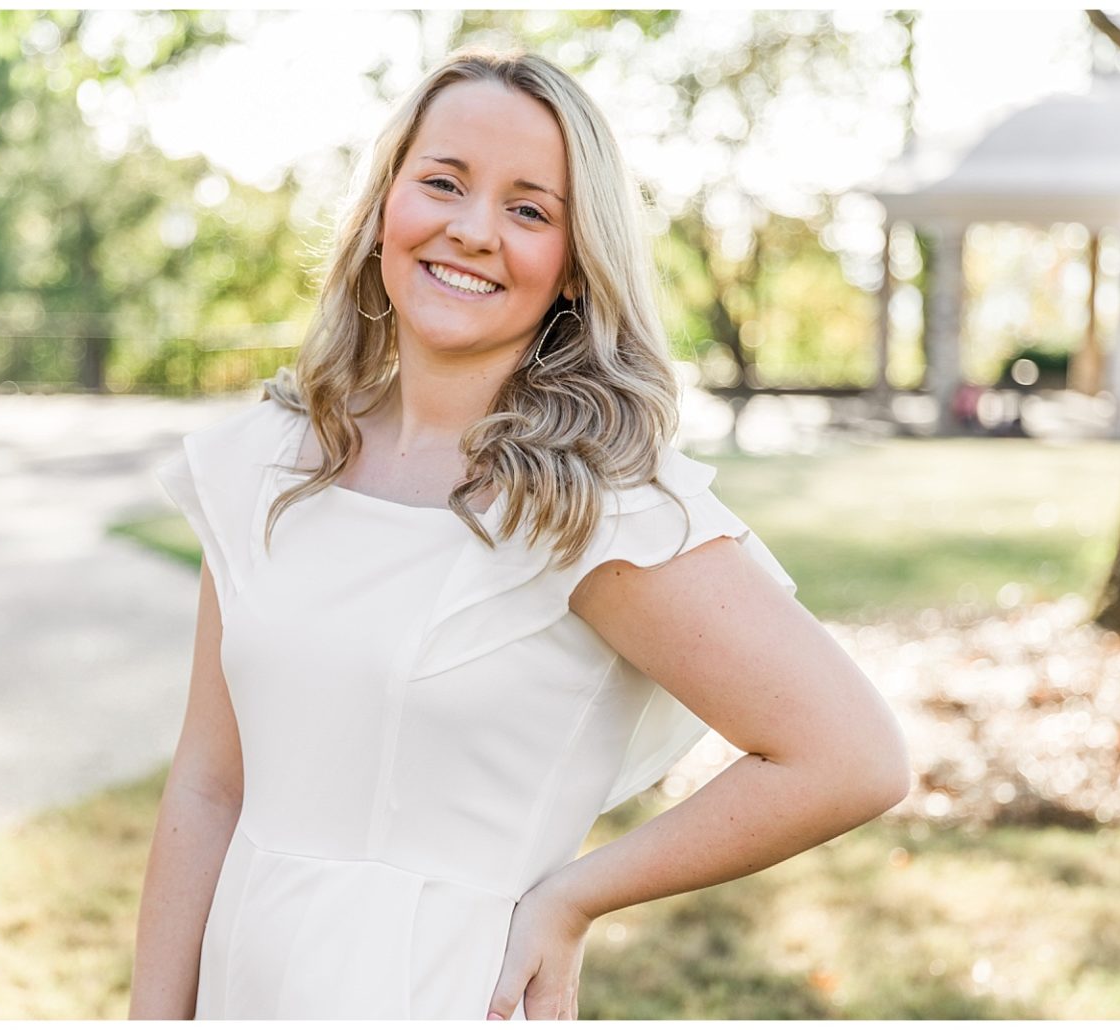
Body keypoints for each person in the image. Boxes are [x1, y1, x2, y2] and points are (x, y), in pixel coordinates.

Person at [130, 47, 910, 1021]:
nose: (473, 230)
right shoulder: (266, 463)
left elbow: (851, 753)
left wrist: (575, 895)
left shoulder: (593, 506)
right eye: (443, 183)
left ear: (576, 269)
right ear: (383, 207)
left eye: (529, 208)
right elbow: (208, 786)